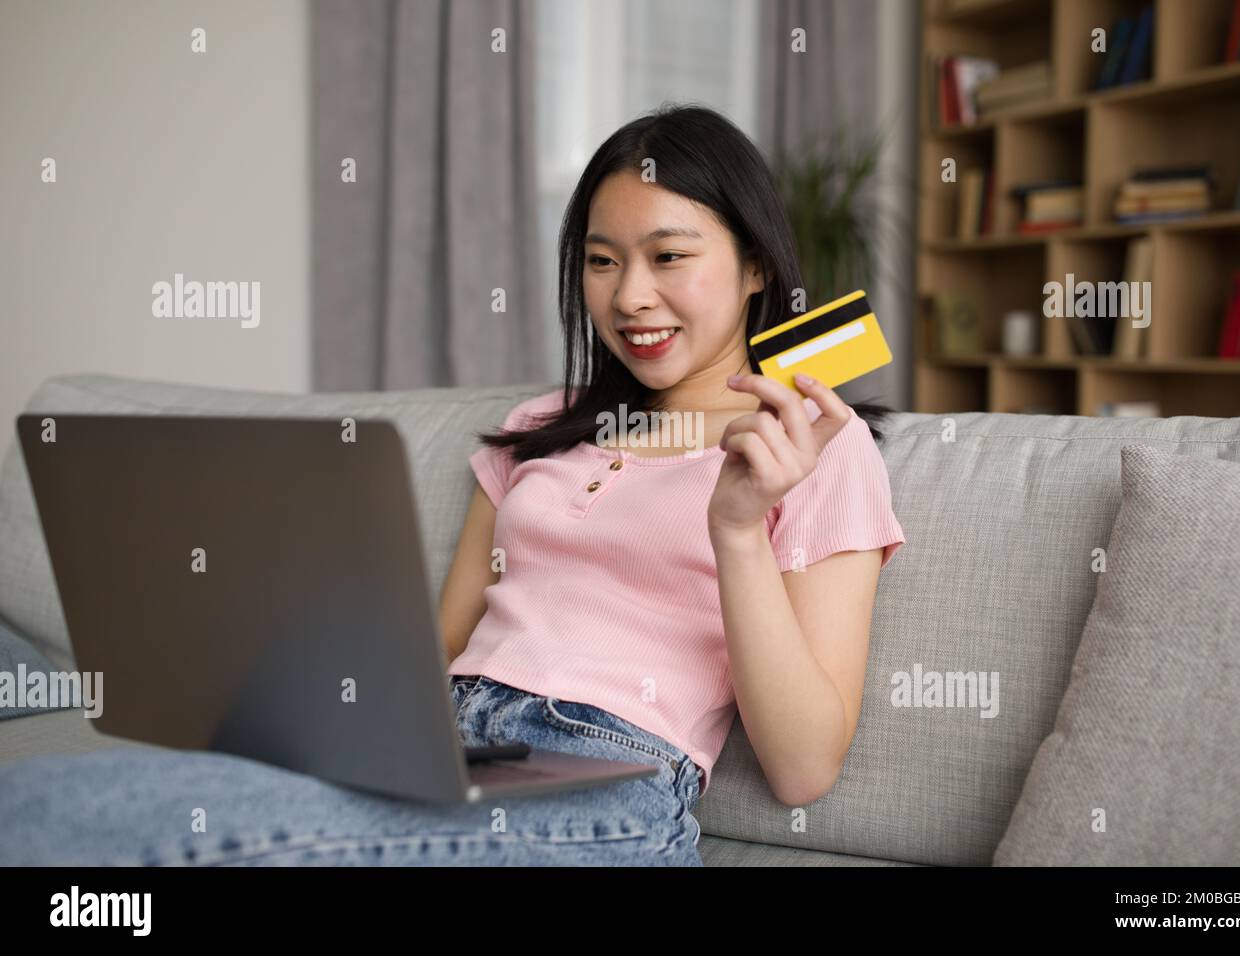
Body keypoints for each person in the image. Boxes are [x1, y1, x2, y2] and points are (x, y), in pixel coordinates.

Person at [0, 103, 905, 866]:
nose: (629, 296)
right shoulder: (535, 430)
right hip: (449, 747)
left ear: (754, 266)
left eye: (669, 257)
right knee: (73, 791)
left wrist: (738, 530)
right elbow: (435, 657)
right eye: (601, 259)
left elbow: (801, 769)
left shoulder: (818, 450)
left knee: (69, 822)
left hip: (607, 784)